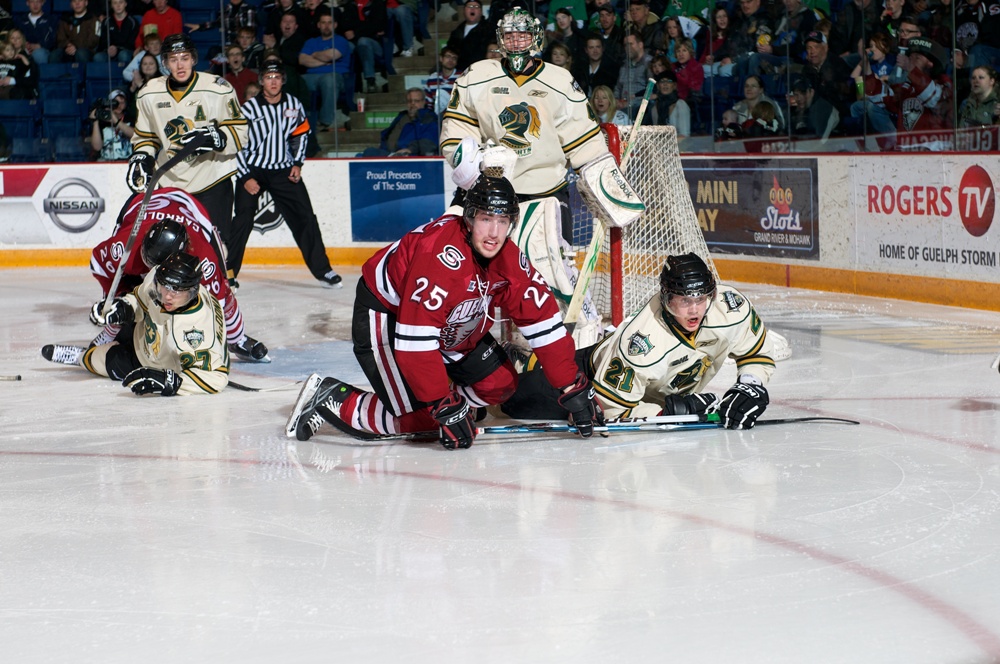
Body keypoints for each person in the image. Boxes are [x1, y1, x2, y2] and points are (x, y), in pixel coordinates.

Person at [284, 175, 604, 448]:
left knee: (500, 384)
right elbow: (415, 344)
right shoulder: (439, 258)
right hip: (388, 316)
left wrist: (571, 385)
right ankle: (329, 396)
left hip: (453, 320)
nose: (494, 232)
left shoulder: (507, 256)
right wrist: (442, 406)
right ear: (469, 218)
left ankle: (441, 402)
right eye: (485, 219)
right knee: (420, 419)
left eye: (502, 221)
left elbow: (543, 320)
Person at [501, 253, 776, 430]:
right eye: (684, 301)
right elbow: (609, 410)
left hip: (638, 386)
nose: (694, 310)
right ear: (667, 299)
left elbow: (755, 353)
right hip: (590, 378)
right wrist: (669, 411)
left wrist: (749, 385)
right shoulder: (642, 343)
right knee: (505, 398)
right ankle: (522, 361)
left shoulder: (731, 308)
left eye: (701, 299)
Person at [440, 8, 628, 242]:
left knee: (551, 273)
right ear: (500, 39)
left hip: (546, 193)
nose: (516, 42)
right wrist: (472, 163)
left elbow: (585, 141)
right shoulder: (476, 76)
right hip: (490, 191)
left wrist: (608, 186)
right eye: (510, 36)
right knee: (465, 260)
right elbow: (457, 131)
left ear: (536, 38)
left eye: (523, 35)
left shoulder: (560, 81)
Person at [89, 187, 269, 361]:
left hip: (193, 211)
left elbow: (218, 302)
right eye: (150, 263)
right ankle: (110, 332)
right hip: (139, 207)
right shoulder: (125, 247)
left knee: (224, 289)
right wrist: (119, 299)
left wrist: (213, 341)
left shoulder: (202, 256)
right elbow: (99, 264)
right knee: (120, 301)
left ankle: (238, 340)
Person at [128, 33, 248, 282]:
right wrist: (141, 157)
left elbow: (241, 132)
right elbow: (145, 137)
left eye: (185, 58)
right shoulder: (149, 93)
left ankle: (220, 289)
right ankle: (173, 294)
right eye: (173, 59)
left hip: (212, 179)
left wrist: (219, 138)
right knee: (169, 244)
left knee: (215, 247)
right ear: (165, 63)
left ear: (193, 59)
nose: (179, 65)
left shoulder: (217, 88)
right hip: (171, 184)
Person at [42, 252, 230, 396]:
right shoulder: (160, 279)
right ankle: (88, 354)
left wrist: (169, 381)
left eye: (176, 291)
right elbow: (140, 299)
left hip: (153, 363)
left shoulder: (195, 335)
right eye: (164, 286)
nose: (166, 296)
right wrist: (124, 307)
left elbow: (217, 378)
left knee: (105, 361)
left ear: (192, 291)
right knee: (122, 321)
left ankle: (81, 358)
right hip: (145, 331)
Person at [229, 62, 343, 287]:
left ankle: (324, 271)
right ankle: (228, 275)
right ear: (261, 80)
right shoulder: (249, 108)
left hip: (283, 170)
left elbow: (301, 134)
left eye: (277, 77)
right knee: (242, 220)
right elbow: (237, 145)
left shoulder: (293, 104)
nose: (273, 81)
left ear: (283, 80)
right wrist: (245, 177)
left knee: (305, 218)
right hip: (253, 170)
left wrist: (297, 163)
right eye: (269, 76)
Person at [299, 11, 352, 132]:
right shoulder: (311, 41)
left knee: (329, 79)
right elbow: (302, 60)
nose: (326, 26)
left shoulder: (341, 41)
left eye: (330, 23)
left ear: (335, 25)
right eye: (323, 23)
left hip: (336, 77)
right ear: (318, 25)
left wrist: (315, 55)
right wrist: (324, 62)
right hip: (311, 77)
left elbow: (331, 55)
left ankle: (325, 121)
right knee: (294, 80)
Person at [361, 86, 438, 156]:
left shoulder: (429, 118)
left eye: (416, 101)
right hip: (389, 154)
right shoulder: (401, 116)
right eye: (409, 101)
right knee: (364, 154)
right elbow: (386, 136)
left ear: (423, 102)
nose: (412, 104)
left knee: (368, 152)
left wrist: (411, 150)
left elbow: (428, 144)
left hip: (409, 157)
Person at [614, 32, 653, 120]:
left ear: (640, 45)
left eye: (630, 44)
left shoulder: (649, 63)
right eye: (625, 45)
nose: (627, 48)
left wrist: (629, 103)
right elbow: (618, 87)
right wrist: (616, 101)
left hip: (640, 108)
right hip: (622, 106)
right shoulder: (624, 65)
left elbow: (651, 90)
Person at [89, 88, 134, 160]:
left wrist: (116, 121)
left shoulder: (130, 119)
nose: (119, 105)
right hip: (106, 161)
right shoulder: (102, 122)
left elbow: (134, 135)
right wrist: (95, 121)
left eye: (122, 102)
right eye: (115, 103)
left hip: (127, 160)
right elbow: (97, 147)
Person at [446, 0, 491, 72]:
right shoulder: (456, 32)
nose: (472, 9)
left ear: (481, 12)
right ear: (464, 11)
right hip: (460, 73)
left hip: (481, 71)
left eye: (476, 7)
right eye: (470, 6)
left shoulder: (489, 30)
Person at [648, 69, 691, 135]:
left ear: (674, 85)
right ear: (658, 86)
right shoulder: (654, 108)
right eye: (662, 81)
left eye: (669, 81)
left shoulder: (680, 105)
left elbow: (685, 135)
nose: (665, 84)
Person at [14, 0, 57, 66]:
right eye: (32, 2)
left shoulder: (51, 19)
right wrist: (23, 44)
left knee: (38, 54)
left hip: (44, 50)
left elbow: (55, 39)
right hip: (24, 49)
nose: (35, 4)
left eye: (38, 1)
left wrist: (40, 45)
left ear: (42, 3)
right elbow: (15, 36)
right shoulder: (21, 20)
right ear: (27, 3)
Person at [96, 0, 140, 64]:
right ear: (111, 5)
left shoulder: (133, 22)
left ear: (125, 4)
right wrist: (109, 48)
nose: (118, 5)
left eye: (121, 2)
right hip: (109, 51)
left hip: (126, 51)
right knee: (98, 57)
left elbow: (131, 43)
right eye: (115, 3)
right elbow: (102, 41)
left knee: (123, 55)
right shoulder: (106, 22)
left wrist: (117, 48)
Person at [423, 45, 460, 115]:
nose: (451, 60)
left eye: (454, 58)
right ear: (441, 58)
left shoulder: (462, 77)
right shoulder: (432, 78)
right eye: (448, 56)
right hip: (436, 118)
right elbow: (428, 103)